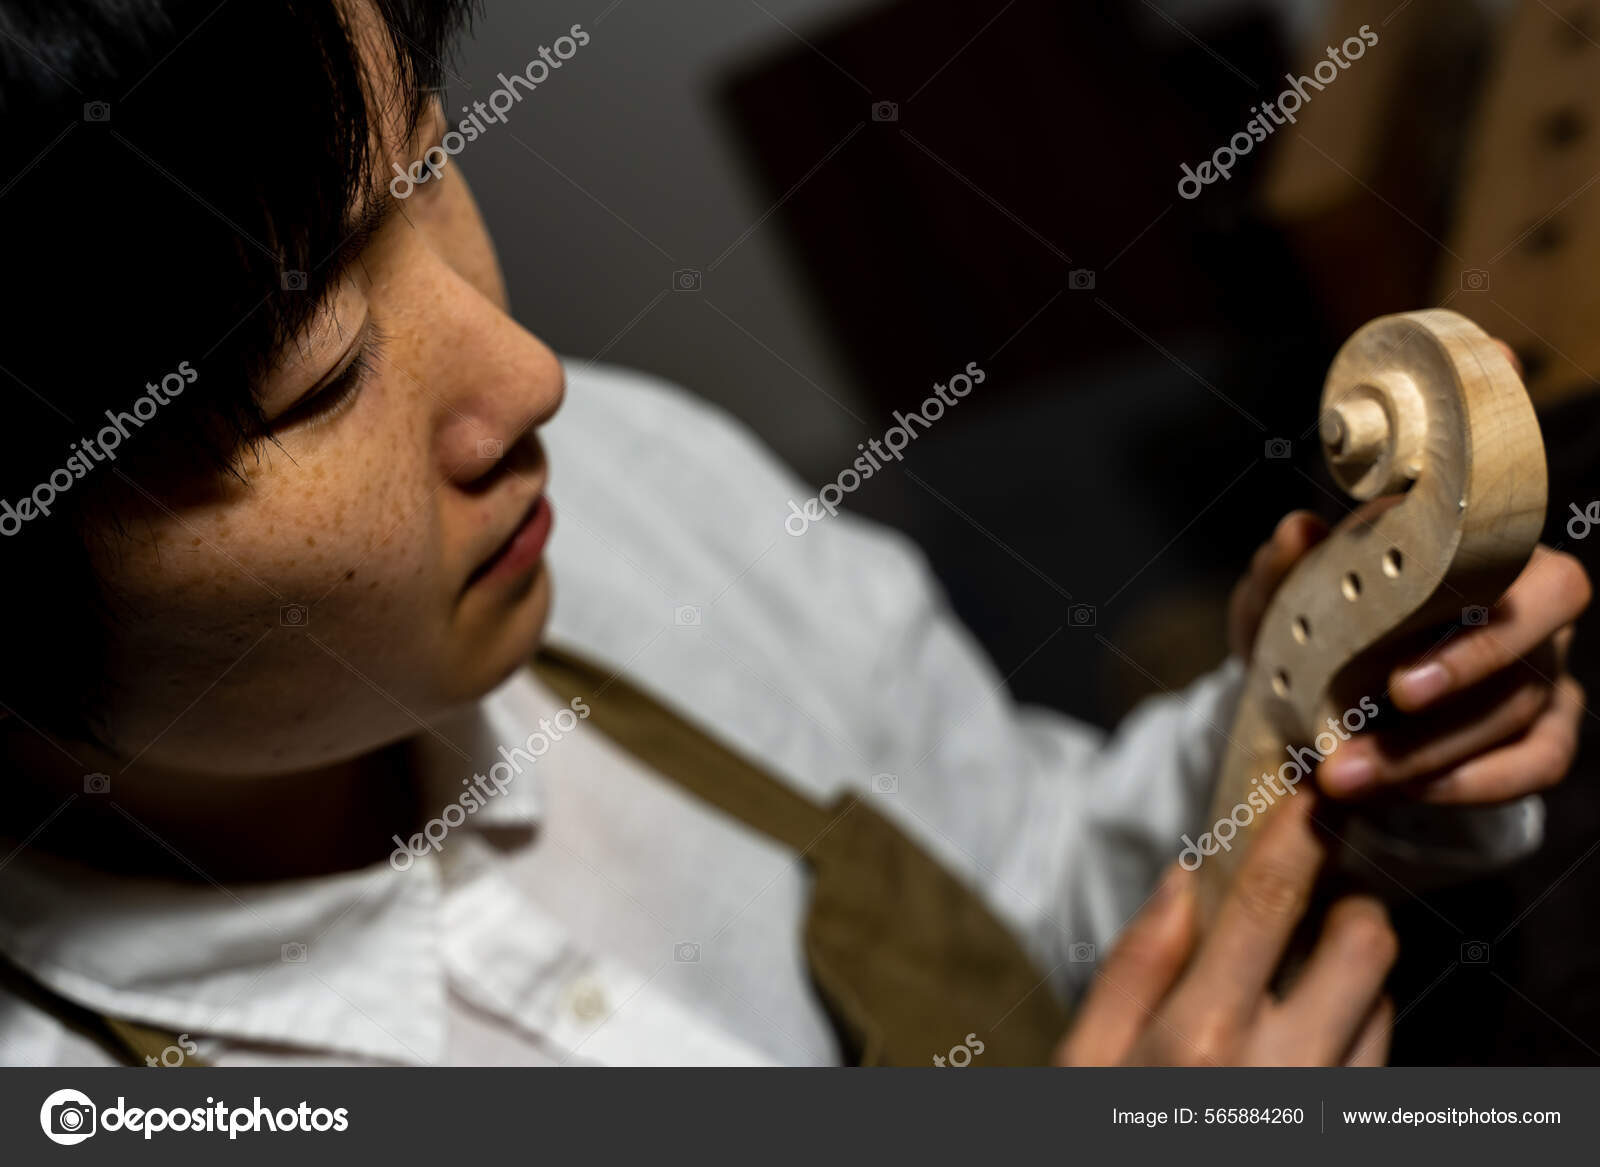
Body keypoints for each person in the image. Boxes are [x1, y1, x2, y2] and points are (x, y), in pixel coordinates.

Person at [0, 0, 1588, 1067]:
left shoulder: (619, 481)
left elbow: (1028, 871)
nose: (535, 378)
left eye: (429, 164)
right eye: (322, 372)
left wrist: (1318, 737)